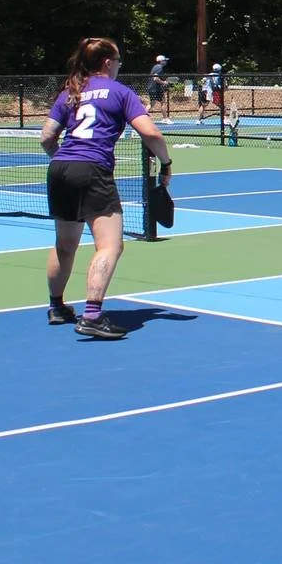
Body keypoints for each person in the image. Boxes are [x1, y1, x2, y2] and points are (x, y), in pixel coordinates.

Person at [39, 37, 172, 341]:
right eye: (119, 61)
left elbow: (46, 138)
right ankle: (92, 316)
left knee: (65, 245)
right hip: (93, 170)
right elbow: (151, 133)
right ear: (108, 63)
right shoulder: (121, 92)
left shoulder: (70, 92)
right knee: (110, 245)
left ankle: (56, 307)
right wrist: (166, 164)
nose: (119, 66)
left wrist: (65, 159)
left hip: (60, 169)